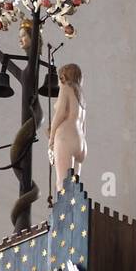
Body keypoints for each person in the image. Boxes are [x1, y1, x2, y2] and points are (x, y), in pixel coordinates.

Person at [48, 63, 87, 191]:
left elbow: (61, 113)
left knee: (62, 184)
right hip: (81, 141)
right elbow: (84, 125)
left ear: (63, 77)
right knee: (74, 187)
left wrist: (51, 138)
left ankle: (63, 211)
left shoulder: (66, 88)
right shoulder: (80, 95)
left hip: (66, 137)